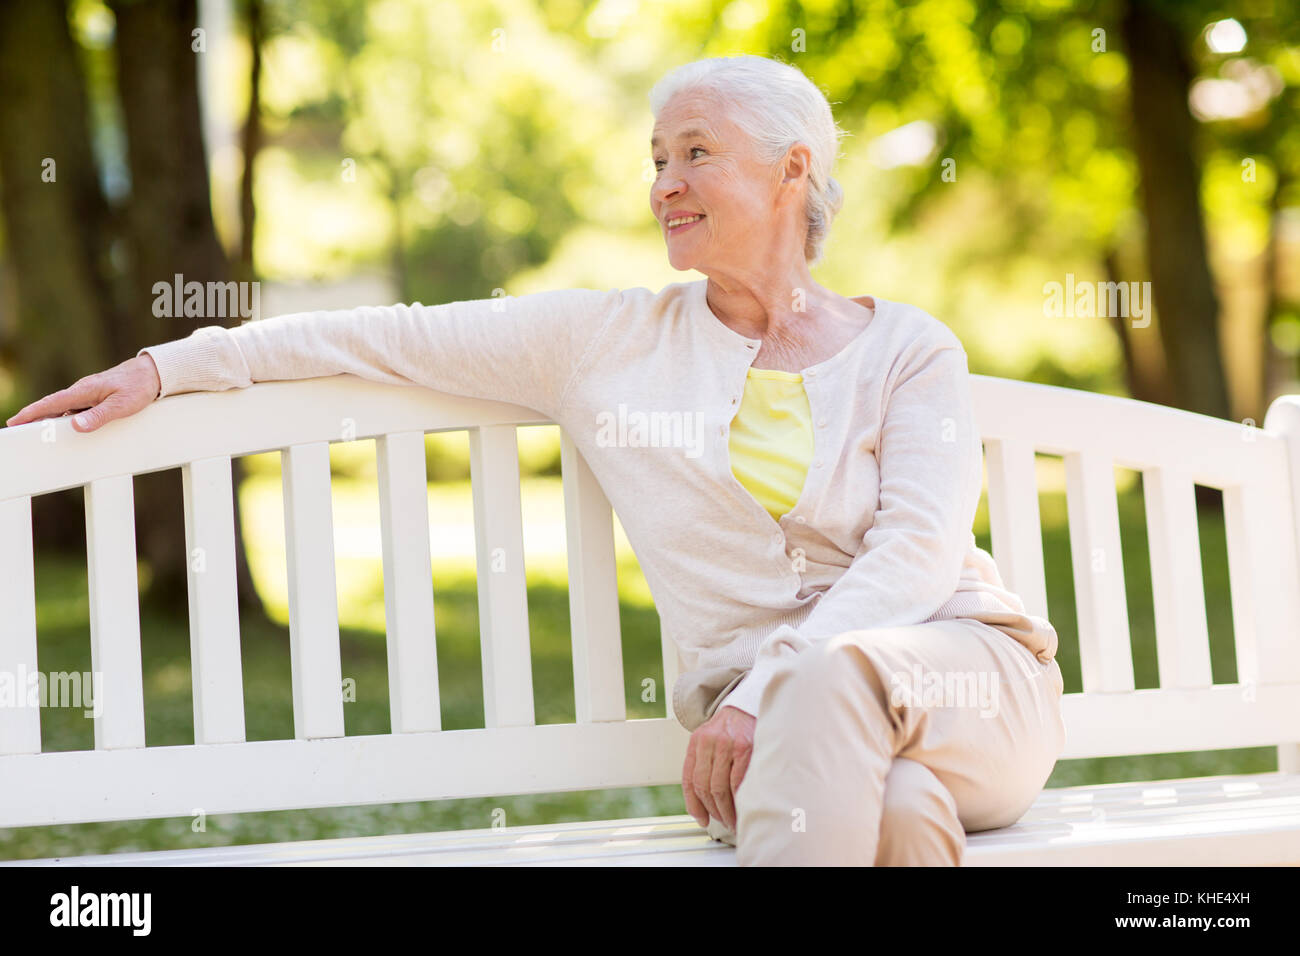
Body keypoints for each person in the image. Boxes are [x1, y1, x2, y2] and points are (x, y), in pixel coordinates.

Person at [4, 54, 1065, 866]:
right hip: (783, 748)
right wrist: (172, 364)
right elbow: (387, 332)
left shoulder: (907, 348)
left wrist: (776, 681)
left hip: (963, 683)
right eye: (656, 159)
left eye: (696, 151)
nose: (664, 182)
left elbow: (918, 554)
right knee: (895, 814)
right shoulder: (605, 341)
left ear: (794, 170)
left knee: (836, 683)